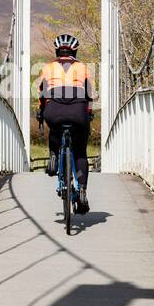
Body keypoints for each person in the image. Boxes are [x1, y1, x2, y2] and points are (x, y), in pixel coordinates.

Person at [37, 33, 94, 214]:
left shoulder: (47, 68)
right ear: (74, 52)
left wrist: (41, 112)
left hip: (54, 110)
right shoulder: (83, 68)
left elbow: (42, 94)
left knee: (55, 129)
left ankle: (53, 155)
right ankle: (82, 190)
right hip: (78, 111)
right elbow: (90, 96)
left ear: (57, 51)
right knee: (80, 152)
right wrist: (89, 113)